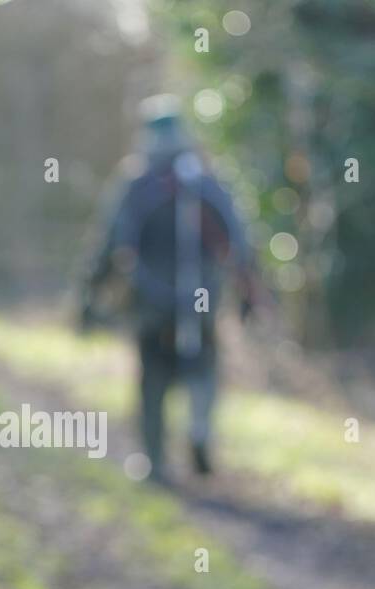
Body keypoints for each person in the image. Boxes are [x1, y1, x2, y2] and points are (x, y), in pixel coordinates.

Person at [80, 94, 267, 483]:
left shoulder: (135, 182)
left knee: (153, 382)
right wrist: (248, 295)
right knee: (203, 370)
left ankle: (155, 461)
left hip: (149, 301)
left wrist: (90, 295)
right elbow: (238, 242)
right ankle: (199, 431)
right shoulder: (207, 181)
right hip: (202, 298)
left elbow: (111, 243)